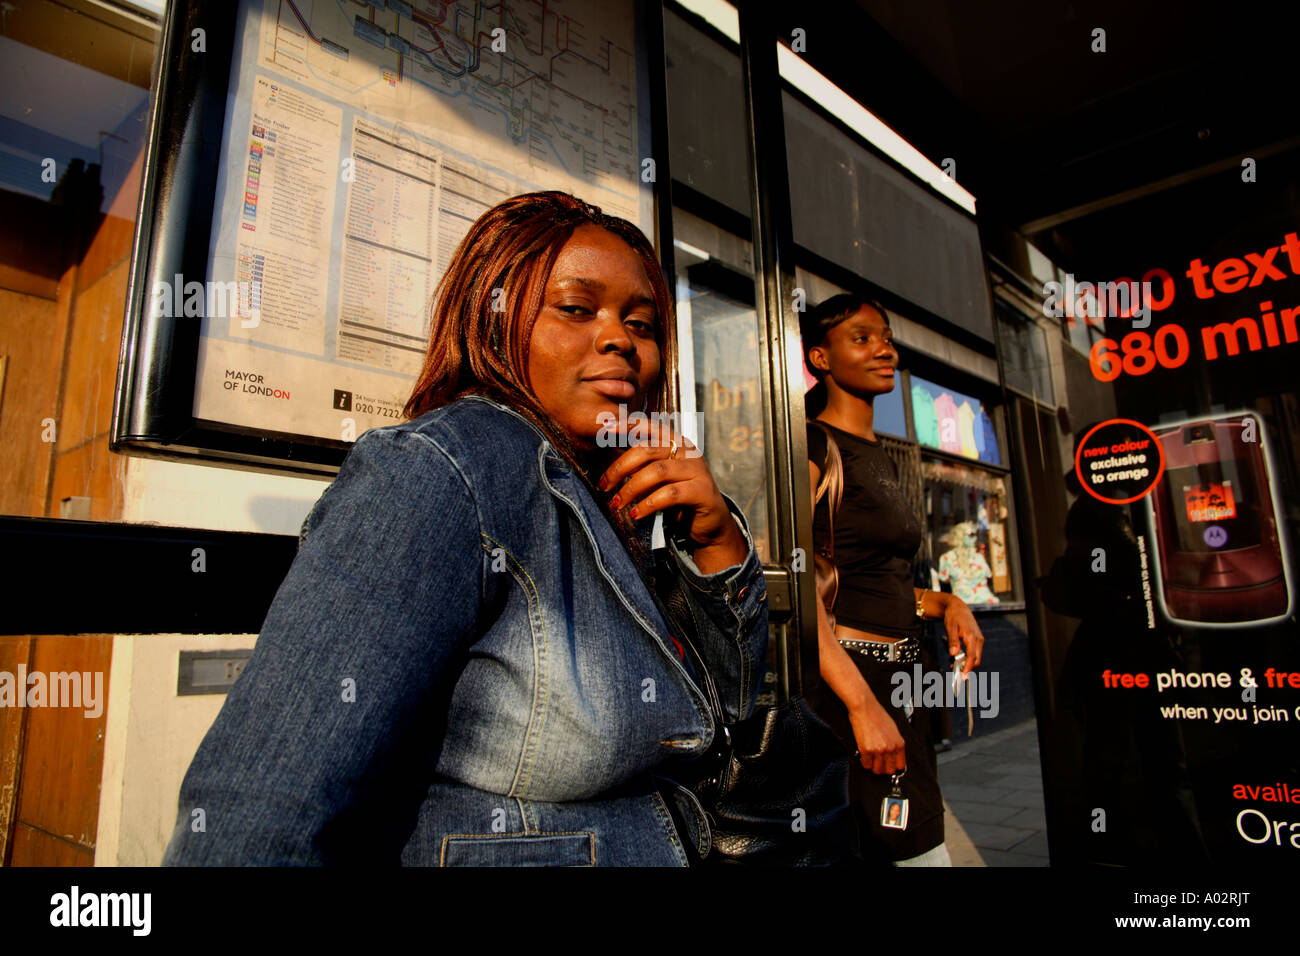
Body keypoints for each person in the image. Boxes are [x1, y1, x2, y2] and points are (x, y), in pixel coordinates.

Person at [162, 191, 769, 866]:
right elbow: (267, 801)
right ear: (492, 318)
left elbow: (727, 715)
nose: (619, 339)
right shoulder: (444, 470)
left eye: (643, 324)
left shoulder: (606, 498)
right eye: (575, 307)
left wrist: (716, 543)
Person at [801, 293, 984, 866]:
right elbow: (794, 580)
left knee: (916, 842)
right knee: (907, 852)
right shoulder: (812, 445)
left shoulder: (880, 453)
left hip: (908, 680)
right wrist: (861, 706)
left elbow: (876, 576)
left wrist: (946, 602)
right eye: (862, 337)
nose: (885, 349)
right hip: (856, 684)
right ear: (821, 358)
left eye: (885, 336)